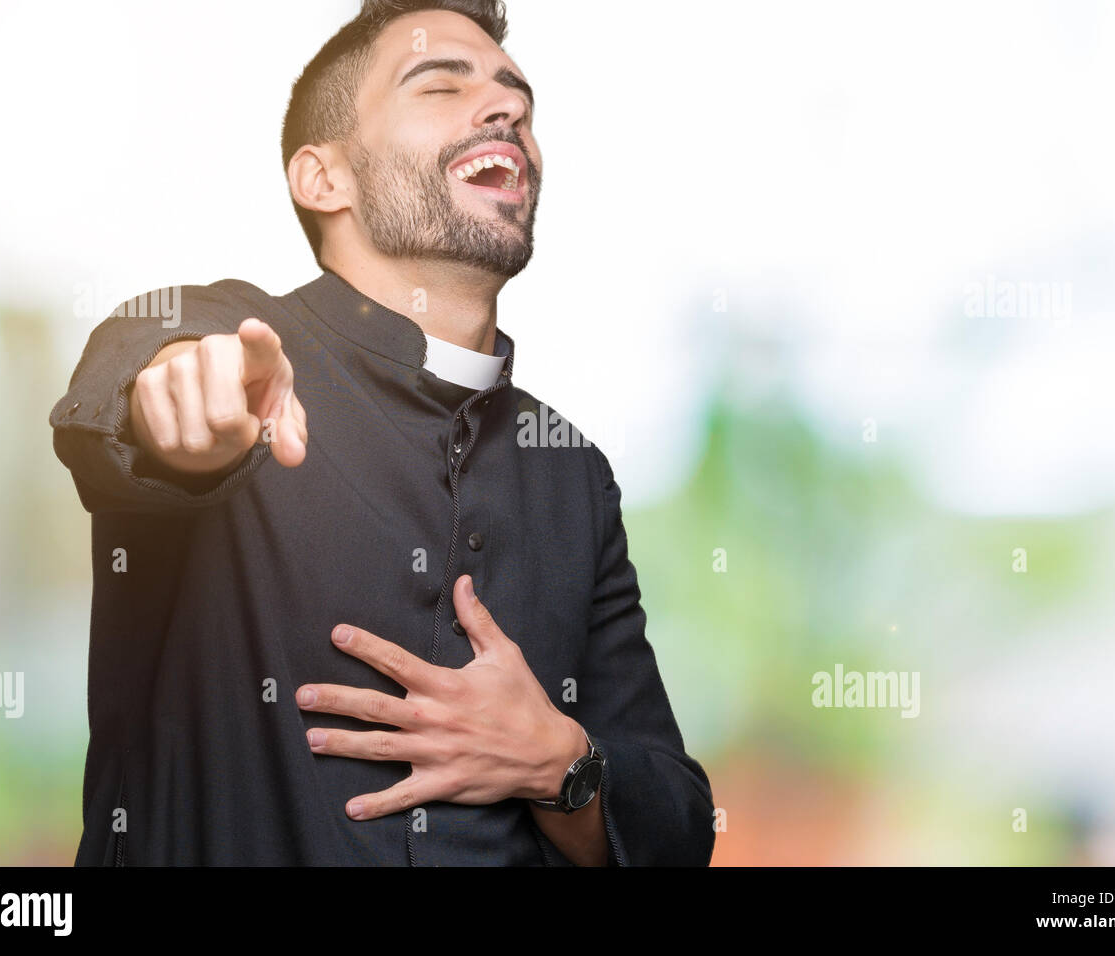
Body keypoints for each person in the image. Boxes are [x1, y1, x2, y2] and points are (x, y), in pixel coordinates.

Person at [49, 0, 715, 866]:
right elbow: (129, 386)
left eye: (517, 95)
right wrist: (181, 410)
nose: (504, 106)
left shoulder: (573, 474)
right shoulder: (235, 340)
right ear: (325, 179)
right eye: (442, 82)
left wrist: (560, 762)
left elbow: (678, 826)